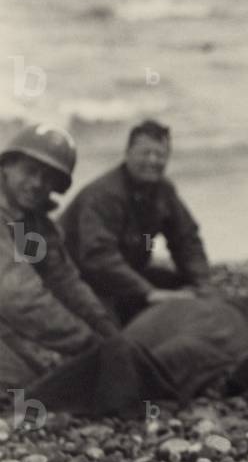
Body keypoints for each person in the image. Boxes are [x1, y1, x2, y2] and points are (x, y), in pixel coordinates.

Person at [0, 124, 119, 386]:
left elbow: (64, 280)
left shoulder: (33, 222)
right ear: (7, 166)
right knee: (22, 385)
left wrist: (106, 329)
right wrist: (87, 342)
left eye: (48, 178)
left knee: (44, 378)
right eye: (29, 171)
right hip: (9, 306)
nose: (37, 184)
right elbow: (18, 298)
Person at [59, 120, 210, 325]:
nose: (153, 160)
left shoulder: (163, 191)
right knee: (109, 334)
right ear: (128, 153)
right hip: (81, 278)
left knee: (193, 295)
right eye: (145, 153)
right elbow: (98, 257)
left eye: (161, 155)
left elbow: (186, 239)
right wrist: (147, 292)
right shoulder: (104, 194)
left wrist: (201, 284)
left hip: (127, 274)